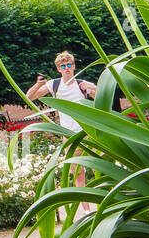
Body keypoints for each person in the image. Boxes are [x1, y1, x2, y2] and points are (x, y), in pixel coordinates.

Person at [26, 51, 99, 210]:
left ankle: (103, 205)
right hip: (69, 135)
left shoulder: (81, 83)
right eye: (63, 66)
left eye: (69, 65)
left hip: (88, 132)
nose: (67, 68)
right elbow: (29, 97)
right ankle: (86, 210)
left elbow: (102, 98)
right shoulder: (54, 85)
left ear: (73, 66)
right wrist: (38, 84)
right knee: (78, 172)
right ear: (59, 69)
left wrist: (92, 87)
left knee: (98, 169)